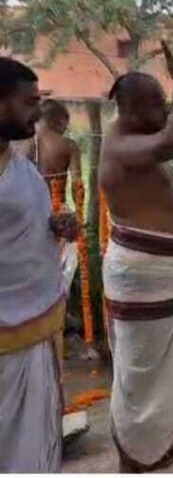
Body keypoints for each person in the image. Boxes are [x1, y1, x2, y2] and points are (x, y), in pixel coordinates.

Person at [100, 47, 173, 472]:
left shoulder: (132, 141)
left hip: (160, 273)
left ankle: (147, 460)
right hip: (146, 274)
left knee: (158, 377)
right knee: (142, 382)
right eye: (157, 103)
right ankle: (136, 461)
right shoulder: (121, 146)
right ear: (133, 109)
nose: (164, 110)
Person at [0, 57, 78, 472]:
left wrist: (55, 226)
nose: (37, 113)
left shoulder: (20, 163)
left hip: (34, 332)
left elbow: (22, 224)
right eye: (28, 103)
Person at [23, 99, 83, 295]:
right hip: (57, 213)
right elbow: (77, 185)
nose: (67, 128)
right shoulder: (68, 145)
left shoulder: (22, 143)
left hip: (26, 212)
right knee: (59, 268)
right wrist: (79, 215)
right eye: (66, 123)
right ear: (59, 121)